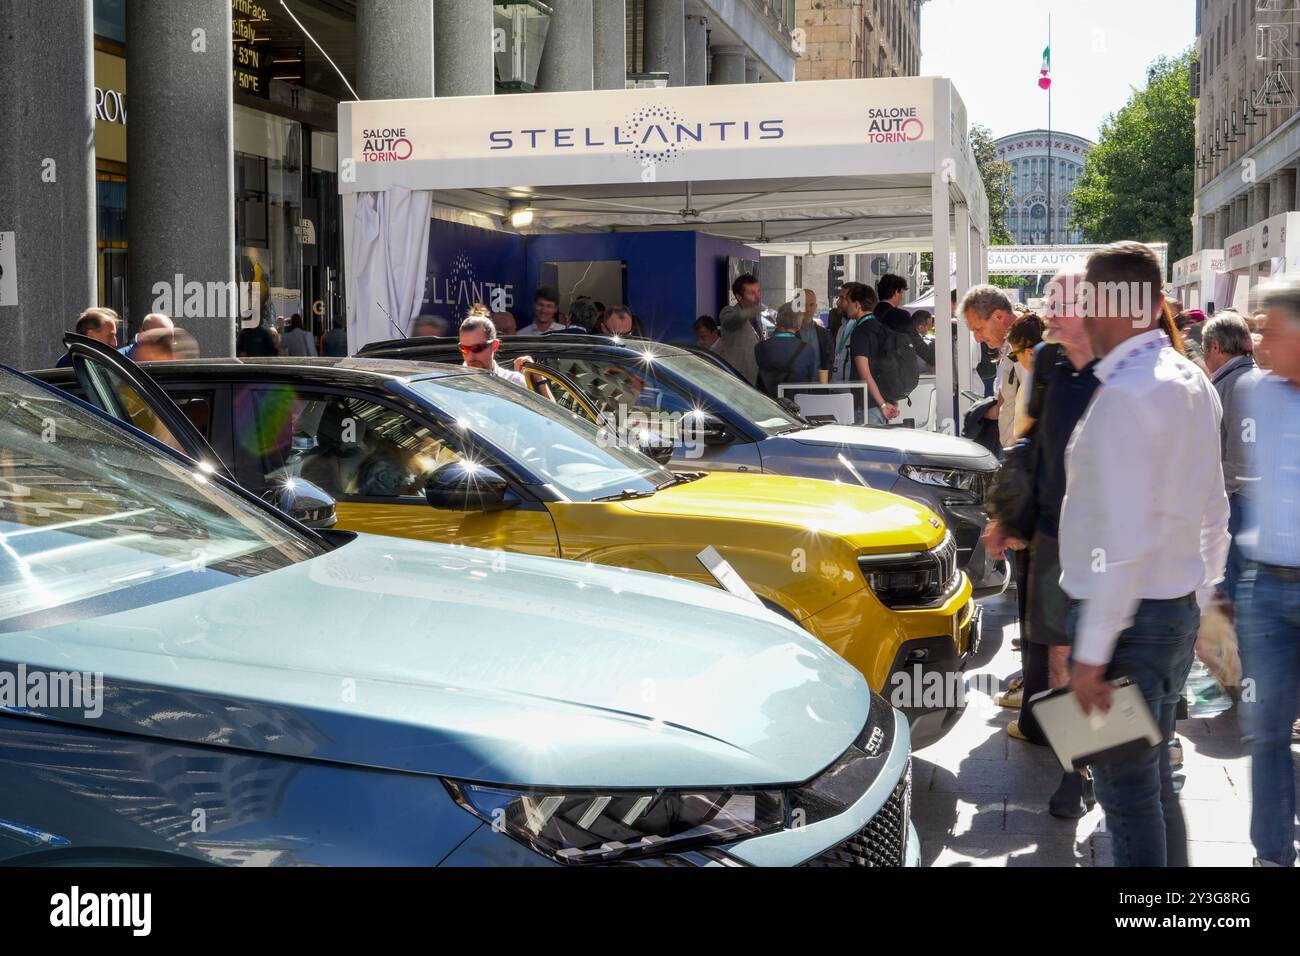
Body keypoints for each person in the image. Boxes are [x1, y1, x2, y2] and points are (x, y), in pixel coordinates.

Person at [1058, 241, 1230, 867]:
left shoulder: (1132, 394)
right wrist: (1202, 601)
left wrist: (1090, 656)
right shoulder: (1189, 379)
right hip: (1168, 612)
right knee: (1153, 788)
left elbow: (1121, 543)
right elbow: (1214, 507)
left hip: (1129, 625)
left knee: (1128, 801)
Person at [988, 270, 1102, 817]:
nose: (1049, 312)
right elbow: (1030, 437)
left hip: (1108, 538)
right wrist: (1008, 512)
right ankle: (1074, 769)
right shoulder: (1048, 361)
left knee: (1099, 657)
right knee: (1058, 655)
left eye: (1061, 302)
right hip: (1055, 535)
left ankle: (1123, 757)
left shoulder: (1120, 368)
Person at [1236, 274, 1300, 868]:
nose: (1261, 343)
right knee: (1266, 732)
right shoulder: (1256, 393)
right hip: (1268, 588)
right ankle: (1272, 857)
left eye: (1272, 332)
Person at [1202, 312, 1264, 605]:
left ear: (1215, 346)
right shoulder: (1244, 379)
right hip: (1242, 499)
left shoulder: (1239, 384)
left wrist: (1214, 493)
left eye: (1205, 351)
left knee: (1233, 593)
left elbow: (1243, 456)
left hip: (1239, 501)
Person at [842, 282, 899, 424]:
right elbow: (892, 367)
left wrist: (882, 405)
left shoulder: (860, 332)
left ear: (857, 305)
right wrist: (892, 401)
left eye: (848, 301)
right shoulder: (884, 329)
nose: (846, 305)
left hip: (867, 406)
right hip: (885, 403)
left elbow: (865, 374)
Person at [754, 302, 818, 398]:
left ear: (777, 320)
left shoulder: (759, 348)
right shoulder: (807, 350)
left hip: (768, 403)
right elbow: (810, 379)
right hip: (797, 403)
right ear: (799, 325)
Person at [875, 273, 936, 369]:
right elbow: (916, 343)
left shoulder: (872, 312)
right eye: (902, 293)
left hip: (873, 367)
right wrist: (933, 355)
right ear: (896, 292)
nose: (902, 297)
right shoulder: (900, 315)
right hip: (893, 370)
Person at [715, 273, 764, 385]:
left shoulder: (756, 318)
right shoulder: (729, 311)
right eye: (751, 293)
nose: (757, 297)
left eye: (758, 291)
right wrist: (752, 310)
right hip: (737, 379)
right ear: (739, 296)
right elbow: (734, 319)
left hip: (756, 379)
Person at [1006, 312, 1045, 440]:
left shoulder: (1033, 385)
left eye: (1014, 355)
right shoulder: (1056, 376)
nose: (1016, 360)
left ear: (1029, 353)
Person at [458, 314, 526, 386]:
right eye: (463, 348)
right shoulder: (454, 384)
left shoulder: (514, 381)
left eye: (477, 348)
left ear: (494, 345)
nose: (471, 357)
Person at [831, 282, 872, 382]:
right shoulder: (841, 327)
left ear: (855, 302)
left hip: (854, 388)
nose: (838, 303)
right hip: (836, 386)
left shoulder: (864, 328)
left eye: (842, 298)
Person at [796, 289, 833, 383]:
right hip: (796, 387)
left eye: (811, 305)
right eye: (804, 305)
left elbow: (829, 361)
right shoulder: (791, 333)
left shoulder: (824, 334)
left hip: (820, 387)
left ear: (816, 307)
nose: (808, 309)